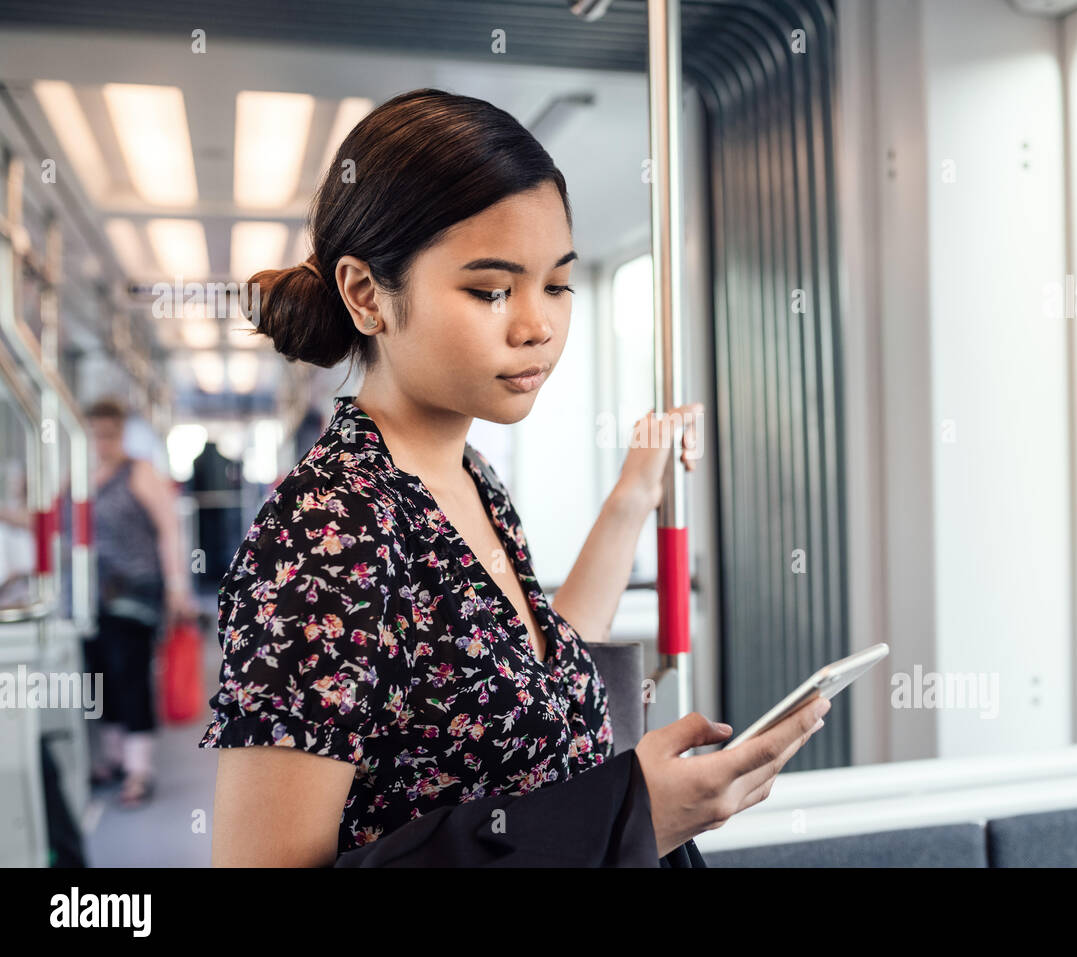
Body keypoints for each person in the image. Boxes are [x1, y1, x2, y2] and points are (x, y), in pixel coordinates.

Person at [200, 88, 830, 867]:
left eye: (558, 284)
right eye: (492, 289)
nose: (538, 324)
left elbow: (529, 670)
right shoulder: (332, 529)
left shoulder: (470, 477)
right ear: (367, 294)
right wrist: (632, 819)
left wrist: (636, 491)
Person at [84, 397, 199, 807]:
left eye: (109, 434)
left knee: (130, 675)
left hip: (134, 592)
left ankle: (139, 770)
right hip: (87, 596)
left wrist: (176, 587)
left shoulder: (140, 473)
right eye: (95, 434)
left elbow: (169, 529)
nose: (102, 442)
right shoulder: (80, 477)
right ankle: (114, 759)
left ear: (121, 433)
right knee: (98, 678)